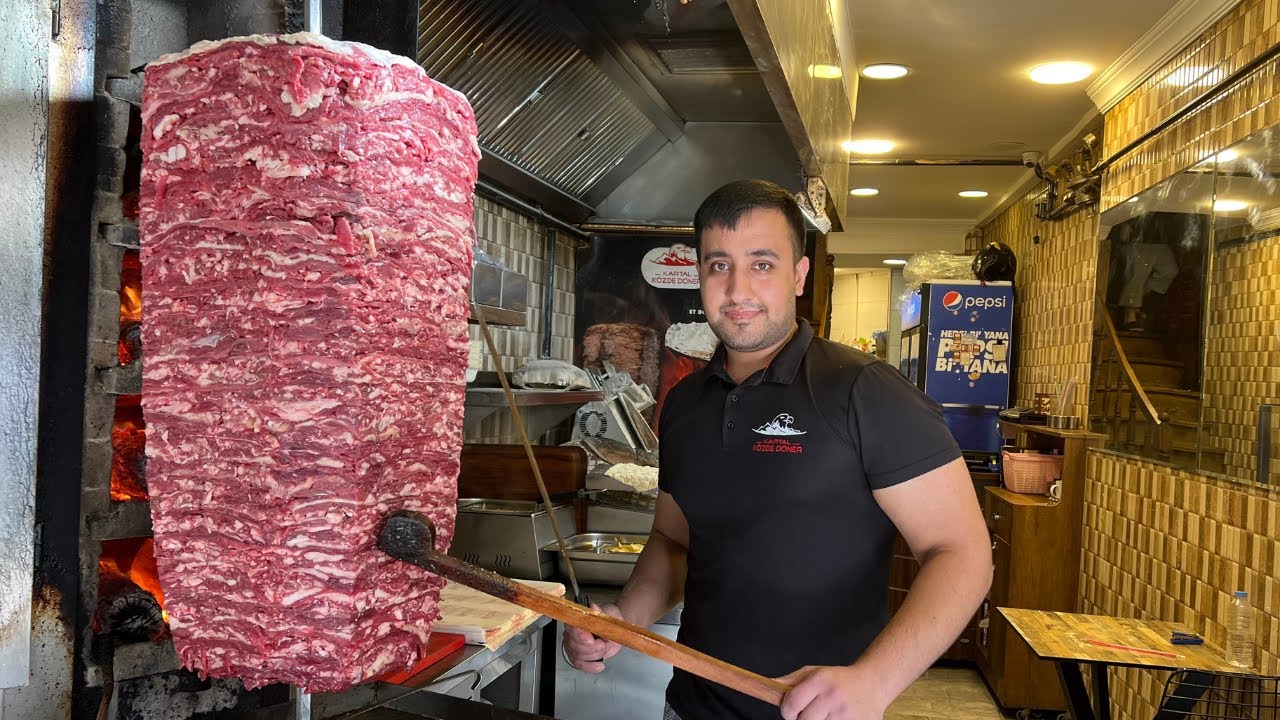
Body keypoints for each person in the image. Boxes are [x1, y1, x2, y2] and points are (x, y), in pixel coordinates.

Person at [563, 179, 993, 720]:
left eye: (762, 264)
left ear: (799, 275)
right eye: (719, 265)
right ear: (700, 274)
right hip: (690, 707)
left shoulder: (865, 391)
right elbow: (674, 540)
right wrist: (626, 619)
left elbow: (962, 553)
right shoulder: (685, 404)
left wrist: (874, 681)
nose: (738, 289)